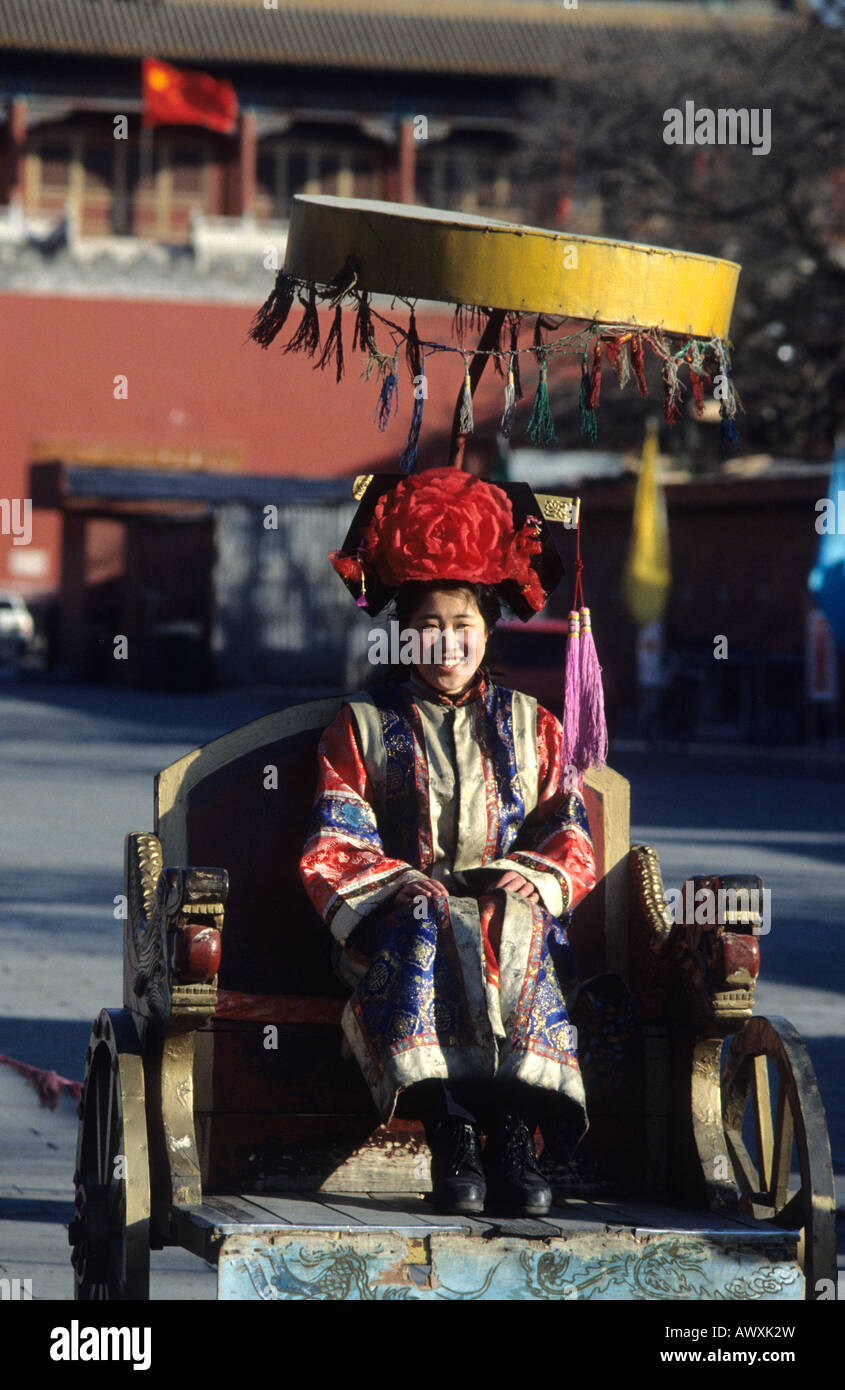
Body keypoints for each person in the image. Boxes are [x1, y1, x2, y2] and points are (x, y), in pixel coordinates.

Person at [299, 469, 597, 1217]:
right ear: (402, 632)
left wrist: (534, 877)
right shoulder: (361, 725)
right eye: (427, 627)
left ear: (487, 629)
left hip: (503, 919)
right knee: (434, 922)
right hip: (398, 920)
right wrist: (400, 884)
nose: (445, 643)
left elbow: (566, 825)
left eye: (461, 626)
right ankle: (451, 1136)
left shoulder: (534, 726)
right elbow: (337, 835)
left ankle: (511, 1134)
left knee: (510, 920)